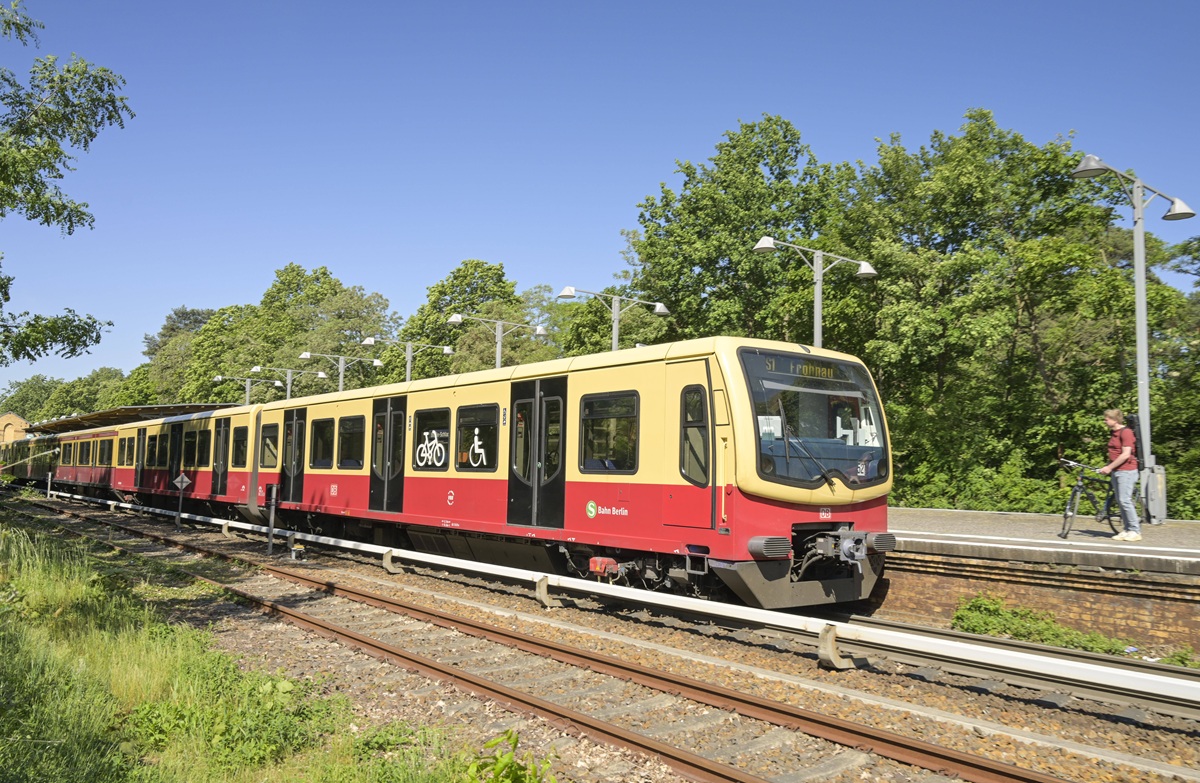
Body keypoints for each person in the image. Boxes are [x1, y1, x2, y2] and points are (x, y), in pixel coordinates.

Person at [1097, 409, 1140, 541]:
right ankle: (1127, 529)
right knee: (1121, 501)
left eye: (1107, 419)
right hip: (1117, 471)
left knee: (1125, 500)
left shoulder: (1126, 432)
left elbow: (1126, 454)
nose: (1105, 421)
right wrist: (1108, 467)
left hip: (1126, 471)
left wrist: (1109, 467)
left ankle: (1135, 530)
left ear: (1115, 420)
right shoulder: (1114, 433)